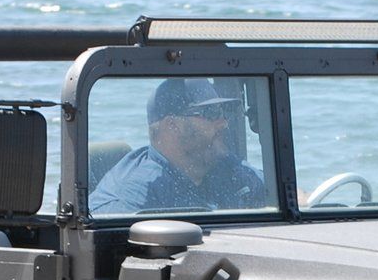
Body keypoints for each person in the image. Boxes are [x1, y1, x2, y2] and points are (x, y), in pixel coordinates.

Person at [90, 77, 269, 216]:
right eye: (211, 113)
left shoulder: (223, 165)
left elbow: (274, 193)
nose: (223, 123)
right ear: (172, 125)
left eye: (223, 112)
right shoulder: (132, 200)